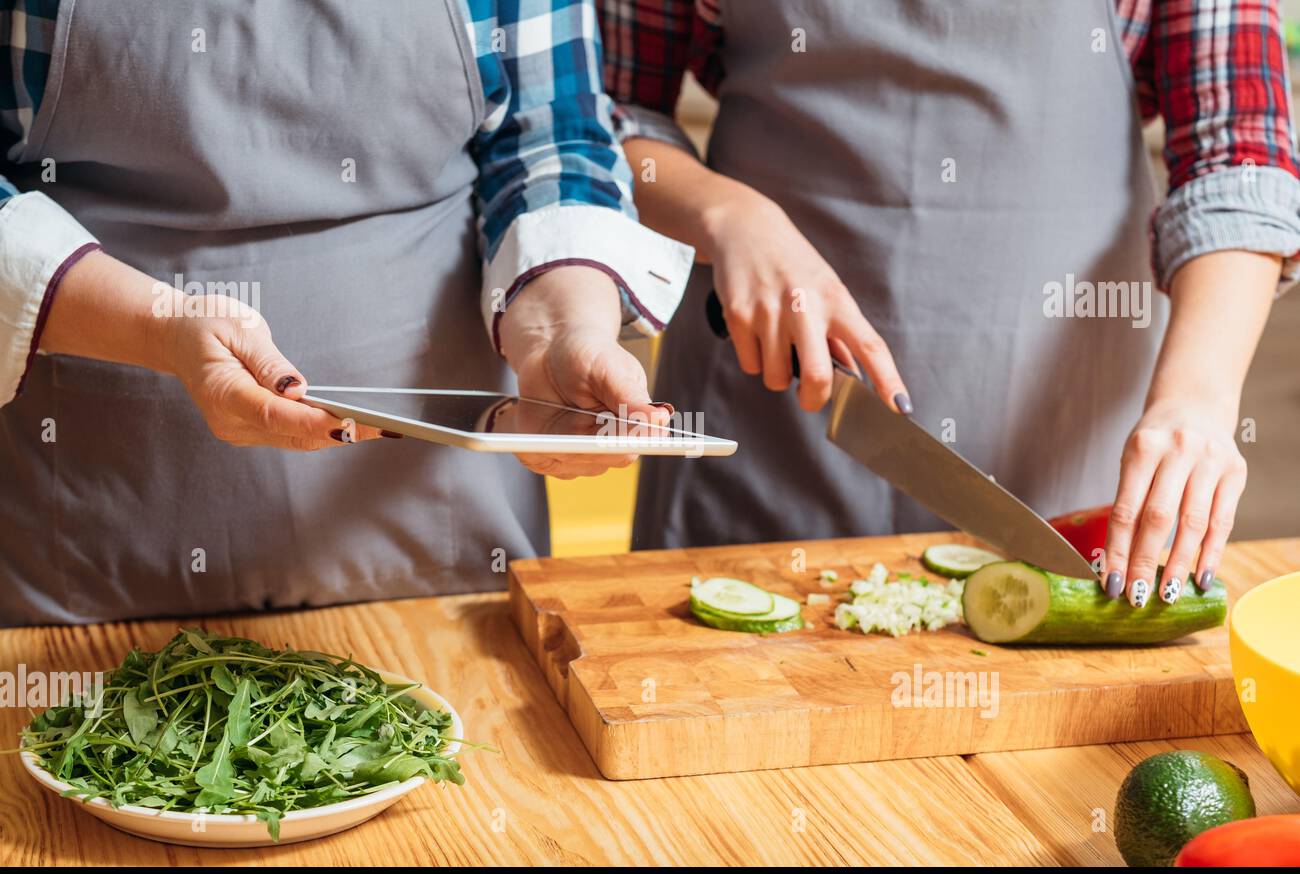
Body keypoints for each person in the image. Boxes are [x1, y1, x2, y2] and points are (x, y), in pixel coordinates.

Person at [0, 0, 692, 625]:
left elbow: (549, 140)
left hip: (438, 525)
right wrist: (158, 328)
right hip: (90, 531)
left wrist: (560, 328)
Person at [601, 0, 1300, 608]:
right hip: (762, 423)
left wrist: (1197, 401)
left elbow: (1237, 156)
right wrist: (727, 218)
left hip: (1060, 439)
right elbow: (606, 115)